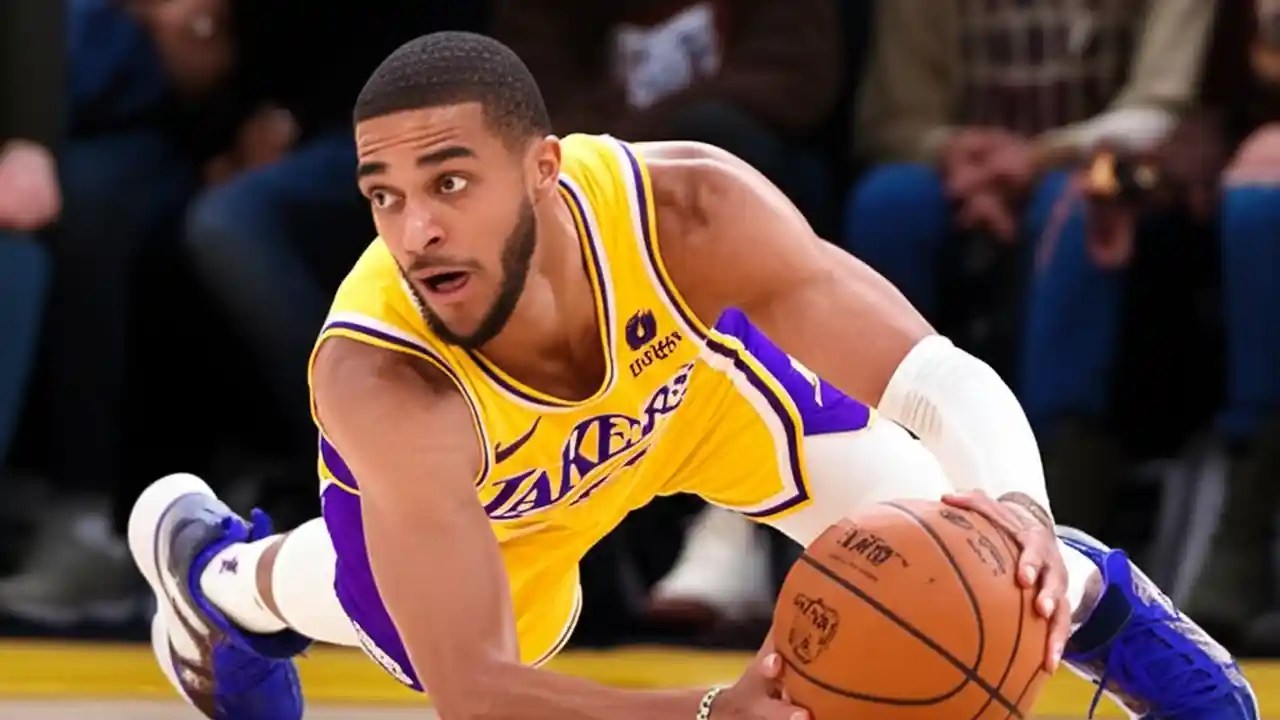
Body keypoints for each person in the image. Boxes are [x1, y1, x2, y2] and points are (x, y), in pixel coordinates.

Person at [127, 32, 1256, 720]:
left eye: (450, 182)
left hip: (697, 404)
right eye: (385, 196)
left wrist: (1019, 517)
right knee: (456, 646)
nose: (415, 229)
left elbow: (934, 378)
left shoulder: (688, 209)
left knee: (969, 545)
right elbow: (479, 698)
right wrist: (713, 712)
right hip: (493, 504)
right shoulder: (380, 375)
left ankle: (1168, 669)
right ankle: (224, 578)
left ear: (543, 167)